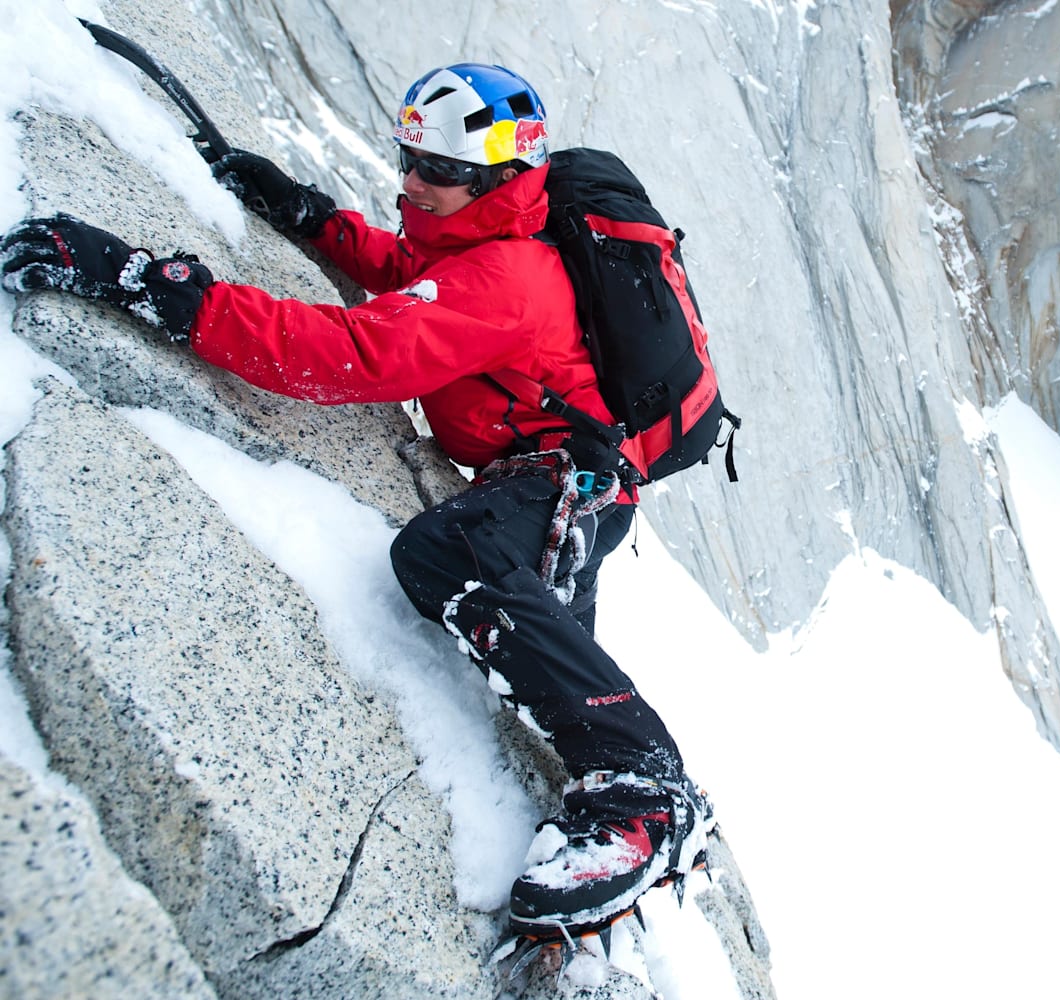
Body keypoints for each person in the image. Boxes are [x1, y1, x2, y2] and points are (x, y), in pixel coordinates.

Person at [0, 62, 710, 941]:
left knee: (447, 557)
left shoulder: (510, 279)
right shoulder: (483, 235)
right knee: (544, 669)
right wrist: (305, 213)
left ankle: (644, 792)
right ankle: (604, 896)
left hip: (567, 481)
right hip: (561, 477)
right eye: (409, 158)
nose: (411, 181)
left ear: (493, 178)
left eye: (437, 172)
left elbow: (351, 354)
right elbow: (412, 273)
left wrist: (159, 288)